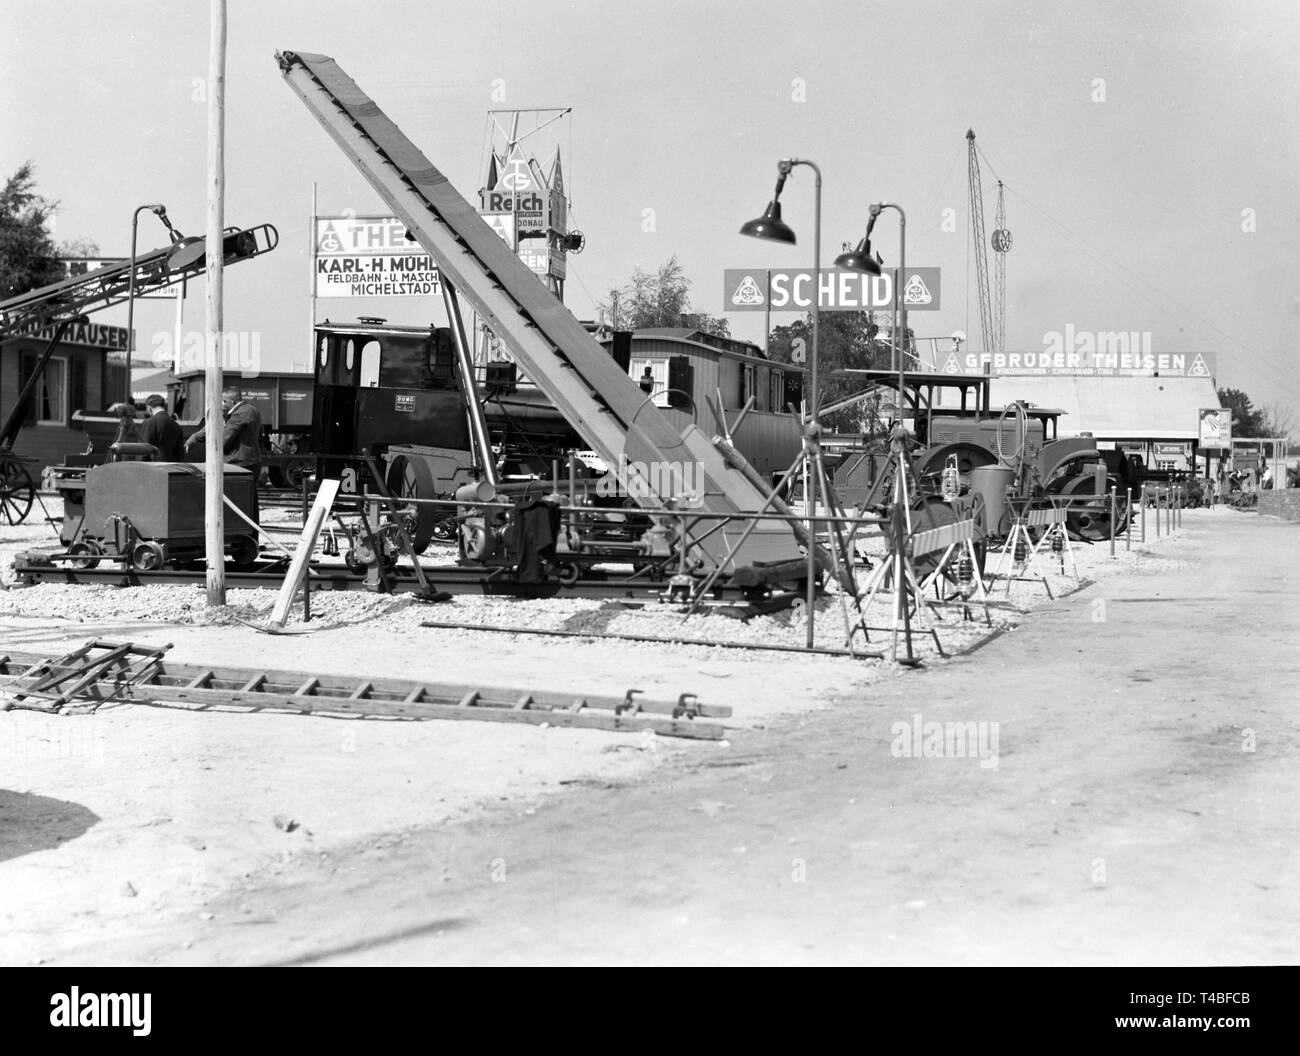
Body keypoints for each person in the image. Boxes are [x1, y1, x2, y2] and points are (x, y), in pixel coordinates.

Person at [185, 385, 264, 518]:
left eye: (223, 401)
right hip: (249, 460)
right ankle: (249, 536)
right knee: (249, 501)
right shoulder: (250, 410)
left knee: (241, 501)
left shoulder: (241, 413)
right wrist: (195, 438)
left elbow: (224, 440)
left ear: (232, 401)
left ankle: (245, 535)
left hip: (240, 463)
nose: (221, 404)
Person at [138, 394, 186, 461]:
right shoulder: (176, 425)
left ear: (149, 408)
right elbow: (180, 454)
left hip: (152, 468)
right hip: (171, 468)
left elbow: (143, 450)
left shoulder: (149, 423)